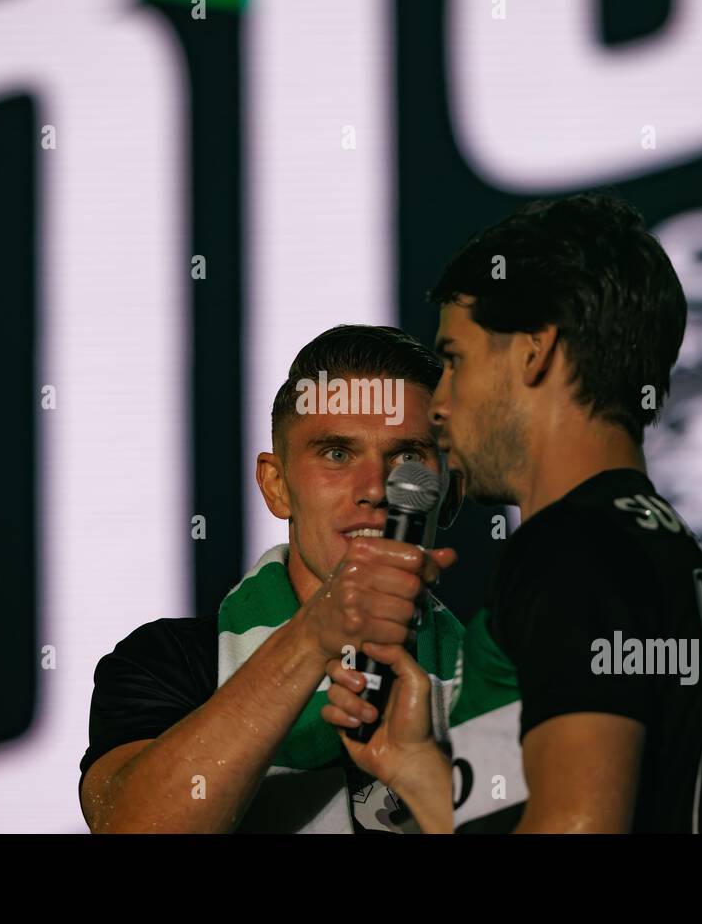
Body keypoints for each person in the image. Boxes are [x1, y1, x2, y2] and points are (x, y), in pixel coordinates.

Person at [321, 194, 702, 832]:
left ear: (534, 351)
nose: (439, 405)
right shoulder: (684, 563)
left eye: (455, 360)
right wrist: (416, 766)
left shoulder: (571, 551)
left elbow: (578, 825)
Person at [80, 325, 465, 832]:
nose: (373, 488)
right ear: (276, 485)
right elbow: (133, 827)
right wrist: (313, 635)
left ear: (451, 493)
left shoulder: (508, 670)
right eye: (337, 454)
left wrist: (429, 779)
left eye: (407, 458)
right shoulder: (166, 660)